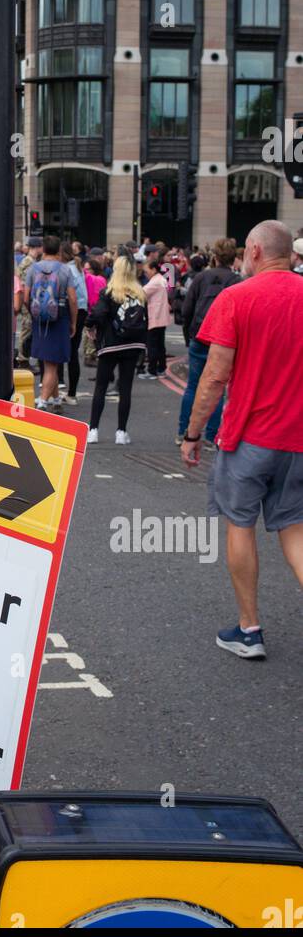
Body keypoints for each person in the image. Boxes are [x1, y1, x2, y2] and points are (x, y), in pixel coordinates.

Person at [181, 221, 303, 660]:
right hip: (299, 439)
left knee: (241, 524)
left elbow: (214, 376)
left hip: (249, 437)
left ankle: (249, 630)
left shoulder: (236, 298)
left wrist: (192, 434)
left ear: (253, 250)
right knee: (295, 530)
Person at [177, 239, 239, 446]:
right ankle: (212, 436)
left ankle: (183, 431)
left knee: (193, 386)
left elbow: (186, 310)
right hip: (224, 340)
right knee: (218, 386)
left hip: (200, 337)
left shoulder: (202, 277)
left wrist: (190, 334)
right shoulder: (236, 280)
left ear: (214, 256)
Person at [85, 253, 148, 444]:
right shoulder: (140, 294)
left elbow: (98, 314)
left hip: (111, 345)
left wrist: (90, 326)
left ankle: (94, 430)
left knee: (101, 387)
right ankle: (121, 432)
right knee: (126, 388)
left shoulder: (109, 292)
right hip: (133, 345)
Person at [22, 236, 77, 411]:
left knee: (49, 360)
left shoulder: (33, 268)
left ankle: (55, 400)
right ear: (58, 250)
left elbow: (25, 297)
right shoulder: (65, 270)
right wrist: (73, 322)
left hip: (40, 317)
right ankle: (43, 401)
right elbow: (73, 299)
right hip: (59, 315)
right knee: (53, 362)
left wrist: (34, 312)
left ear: (43, 249)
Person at [59, 242, 87, 406]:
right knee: (73, 352)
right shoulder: (76, 267)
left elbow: (73, 298)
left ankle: (69, 393)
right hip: (81, 310)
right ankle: (71, 393)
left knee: (68, 353)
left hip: (73, 310)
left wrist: (73, 322)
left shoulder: (67, 269)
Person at [143, 256, 172, 379]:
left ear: (154, 269)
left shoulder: (155, 281)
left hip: (155, 317)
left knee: (152, 345)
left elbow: (141, 293)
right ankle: (161, 368)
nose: (145, 274)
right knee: (160, 345)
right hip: (162, 317)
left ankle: (152, 370)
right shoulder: (162, 279)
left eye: (146, 271)